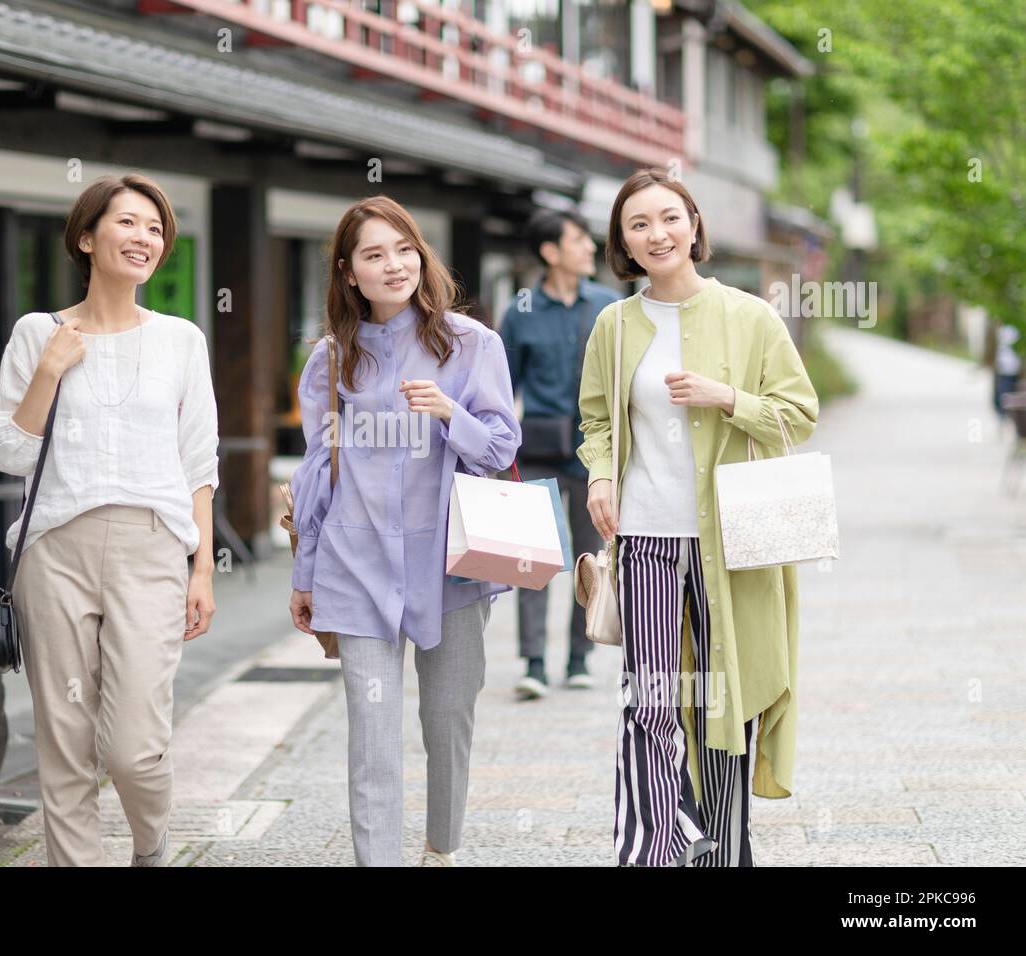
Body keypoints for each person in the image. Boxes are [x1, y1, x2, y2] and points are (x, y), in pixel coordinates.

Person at [577, 168, 818, 866]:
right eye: (639, 225)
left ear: (694, 225)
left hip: (733, 538)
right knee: (649, 701)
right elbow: (596, 418)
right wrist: (599, 474)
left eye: (669, 217)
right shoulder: (614, 325)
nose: (657, 234)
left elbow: (798, 415)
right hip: (646, 537)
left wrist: (728, 397)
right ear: (623, 242)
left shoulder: (750, 317)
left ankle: (723, 852)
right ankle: (653, 848)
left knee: (723, 705)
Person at [0, 173, 219, 867]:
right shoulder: (38, 334)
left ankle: (151, 845)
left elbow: (197, 459)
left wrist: (202, 567)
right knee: (66, 743)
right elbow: (7, 453)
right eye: (128, 223)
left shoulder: (181, 340)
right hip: (55, 551)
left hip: (151, 550)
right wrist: (49, 372)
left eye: (155, 228)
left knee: (134, 748)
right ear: (87, 238)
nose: (145, 238)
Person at [287, 195, 520, 866]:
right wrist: (305, 577)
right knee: (373, 737)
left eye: (404, 249)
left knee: (446, 724)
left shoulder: (473, 344)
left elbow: (500, 449)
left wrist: (451, 412)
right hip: (356, 568)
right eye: (373, 255)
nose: (394, 265)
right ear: (347, 272)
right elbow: (316, 475)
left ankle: (440, 849)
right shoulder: (332, 360)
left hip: (455, 565)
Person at [500, 208, 621, 700]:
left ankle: (579, 657)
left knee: (592, 556)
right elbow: (500, 384)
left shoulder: (609, 305)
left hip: (595, 457)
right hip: (538, 451)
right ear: (550, 252)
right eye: (578, 241)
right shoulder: (521, 309)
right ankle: (533, 663)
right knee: (533, 560)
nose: (590, 248)